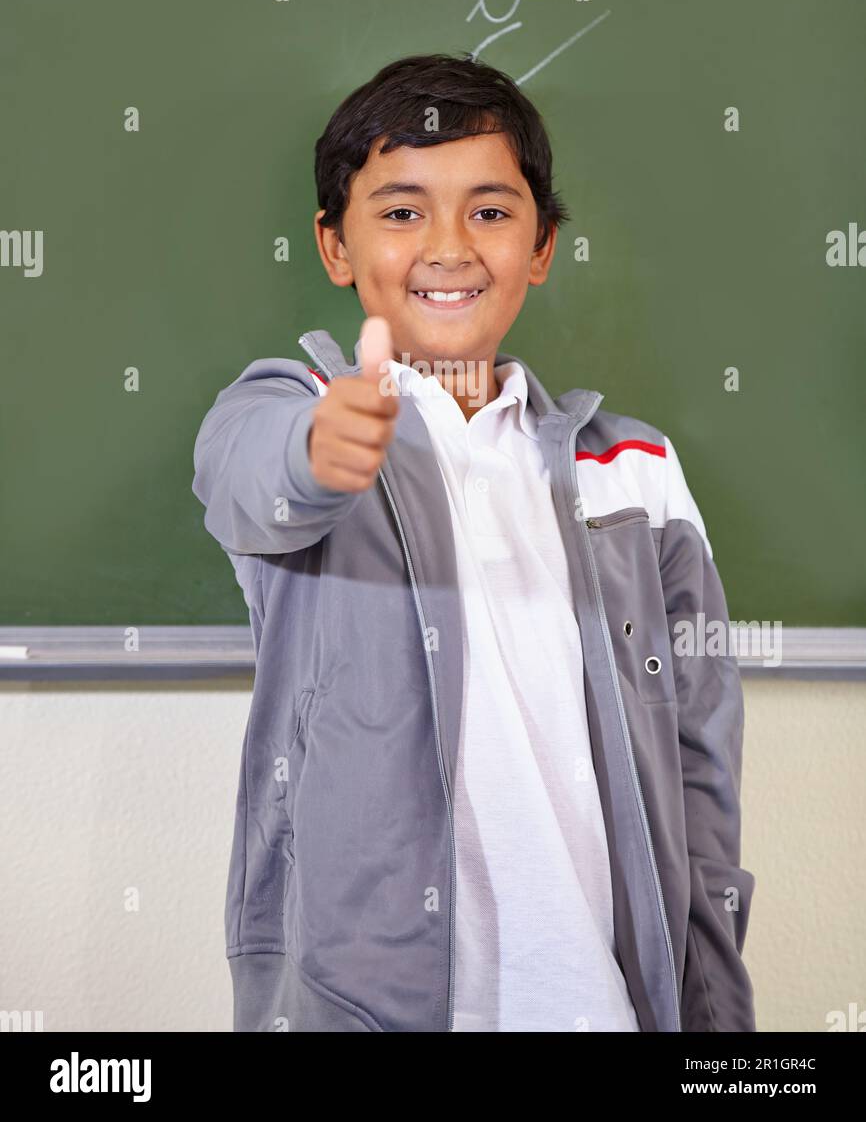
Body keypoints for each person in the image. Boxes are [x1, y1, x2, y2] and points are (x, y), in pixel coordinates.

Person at [192, 52, 756, 1032]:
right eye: (401, 211)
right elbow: (245, 477)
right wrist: (319, 455)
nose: (447, 246)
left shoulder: (634, 468)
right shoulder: (297, 413)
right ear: (334, 246)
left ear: (539, 245)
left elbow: (698, 776)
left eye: (489, 211)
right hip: (361, 1008)